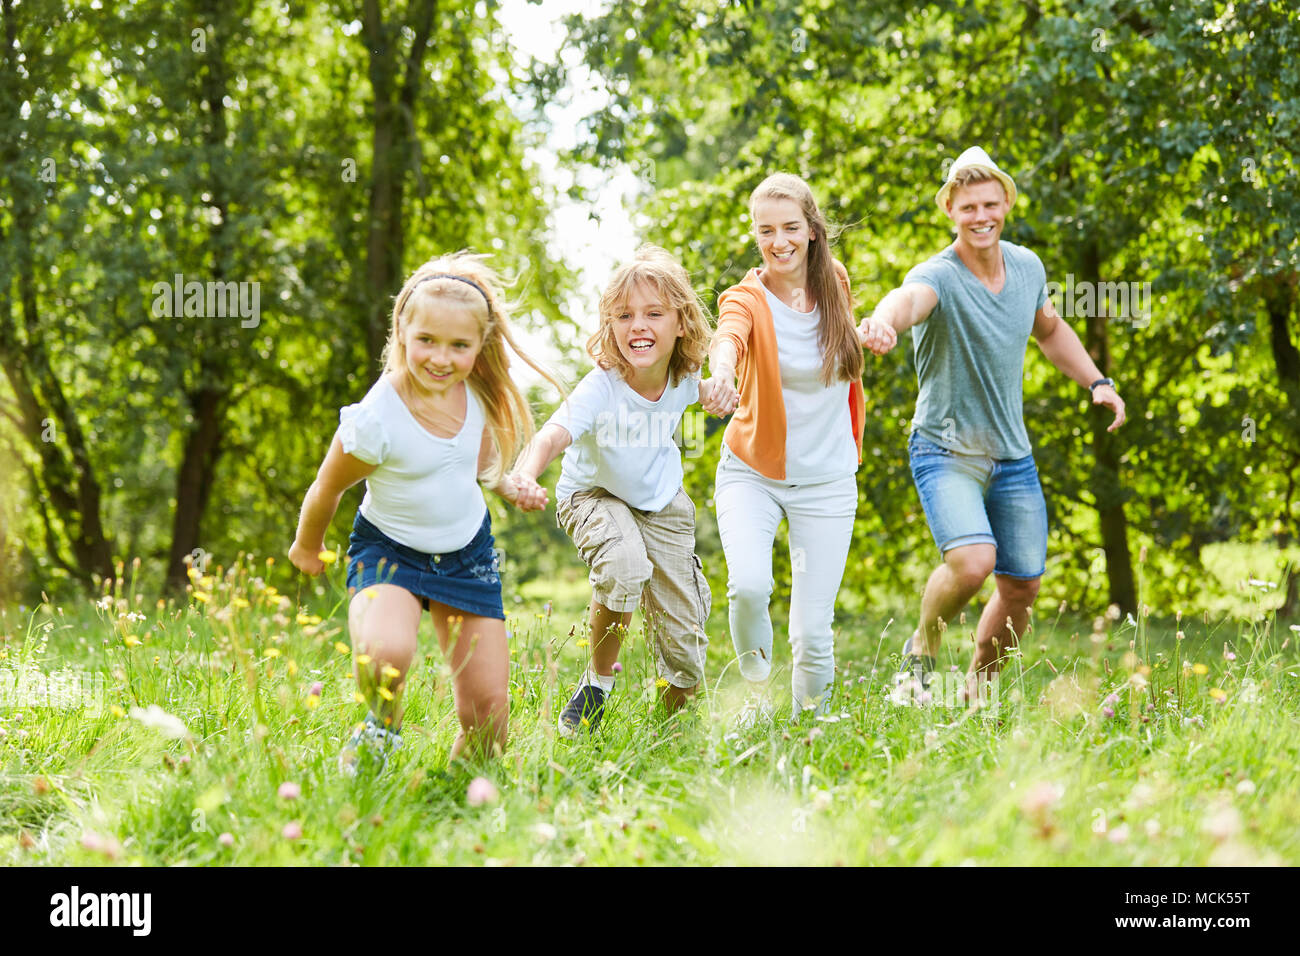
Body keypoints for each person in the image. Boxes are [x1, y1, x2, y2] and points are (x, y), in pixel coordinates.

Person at [858, 146, 1127, 700]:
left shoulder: (1026, 267)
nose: (980, 217)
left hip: (1011, 454)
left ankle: (977, 693)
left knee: (1022, 586)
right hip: (945, 449)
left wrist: (1098, 381)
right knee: (974, 562)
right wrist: (882, 322)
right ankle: (923, 649)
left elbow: (1050, 332)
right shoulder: (939, 275)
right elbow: (906, 301)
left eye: (989, 204)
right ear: (950, 211)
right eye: (967, 207)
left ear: (1006, 202)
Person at [288, 253, 558, 771]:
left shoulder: (475, 395)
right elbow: (326, 488)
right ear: (402, 333)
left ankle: (456, 792)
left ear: (479, 349)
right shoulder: (376, 420)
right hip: (389, 552)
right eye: (427, 341)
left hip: (467, 557)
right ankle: (381, 728)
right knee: (387, 653)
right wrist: (307, 546)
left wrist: (509, 486)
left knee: (491, 722)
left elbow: (474, 467)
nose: (441, 357)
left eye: (459, 345)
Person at [513, 245, 727, 736]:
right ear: (610, 326)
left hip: (662, 504)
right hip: (592, 495)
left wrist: (719, 390)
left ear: (680, 323)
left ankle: (667, 735)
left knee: (686, 656)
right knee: (626, 564)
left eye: (654, 313)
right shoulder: (601, 386)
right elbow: (552, 434)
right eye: (624, 315)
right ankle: (597, 684)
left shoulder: (685, 375)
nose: (639, 326)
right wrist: (527, 473)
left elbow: (716, 378)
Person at [703, 173, 867, 722]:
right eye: (766, 230)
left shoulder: (835, 283)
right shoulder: (745, 297)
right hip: (752, 472)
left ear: (812, 230)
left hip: (827, 480)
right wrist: (722, 372)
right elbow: (727, 337)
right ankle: (753, 689)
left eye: (791, 228)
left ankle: (809, 730)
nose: (779, 242)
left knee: (813, 630)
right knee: (749, 587)